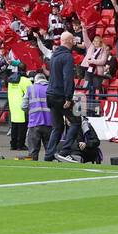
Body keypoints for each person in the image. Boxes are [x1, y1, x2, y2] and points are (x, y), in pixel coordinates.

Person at [45, 32, 80, 162]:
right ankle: (65, 152)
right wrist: (68, 97)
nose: (74, 42)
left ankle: (49, 154)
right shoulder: (67, 57)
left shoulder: (55, 55)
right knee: (76, 122)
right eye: (73, 39)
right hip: (61, 95)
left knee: (57, 127)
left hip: (51, 94)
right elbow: (68, 78)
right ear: (69, 41)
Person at [23, 71, 52, 161]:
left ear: (36, 80)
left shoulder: (30, 89)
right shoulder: (51, 88)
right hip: (49, 123)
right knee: (50, 150)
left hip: (34, 123)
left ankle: (32, 170)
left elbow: (23, 106)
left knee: (32, 151)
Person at [5, 60, 32, 152]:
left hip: (13, 105)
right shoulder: (26, 81)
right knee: (22, 127)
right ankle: (20, 144)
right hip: (22, 106)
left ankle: (13, 144)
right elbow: (30, 93)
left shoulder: (11, 79)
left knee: (14, 126)